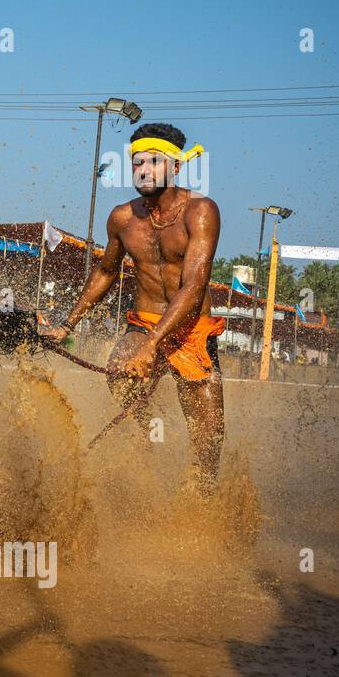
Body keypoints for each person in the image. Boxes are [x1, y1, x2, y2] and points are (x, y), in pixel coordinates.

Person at [43, 122, 224, 489]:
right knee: (119, 374)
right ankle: (150, 439)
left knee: (209, 444)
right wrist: (67, 325)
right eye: (138, 162)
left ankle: (202, 497)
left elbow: (194, 286)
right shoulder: (122, 218)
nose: (144, 170)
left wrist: (153, 344)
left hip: (190, 330)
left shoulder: (200, 211)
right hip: (143, 322)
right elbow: (106, 271)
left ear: (175, 167)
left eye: (154, 162)